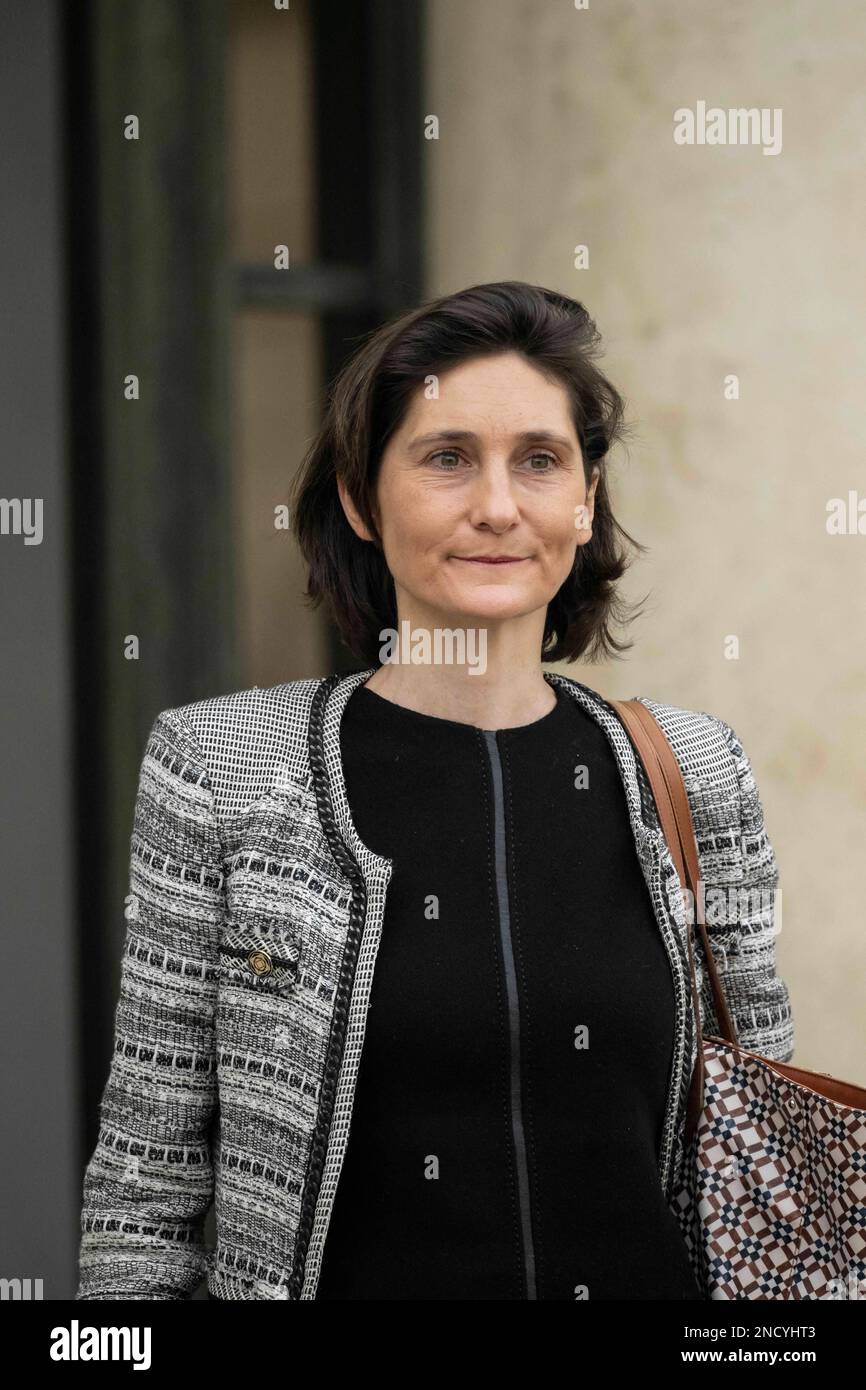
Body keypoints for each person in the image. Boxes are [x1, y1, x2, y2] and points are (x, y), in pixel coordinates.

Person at [76, 281, 794, 1300]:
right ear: (363, 501)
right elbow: (144, 1193)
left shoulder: (695, 772)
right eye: (446, 457)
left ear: (584, 500)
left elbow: (757, 1170)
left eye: (539, 461)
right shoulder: (220, 768)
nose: (497, 506)